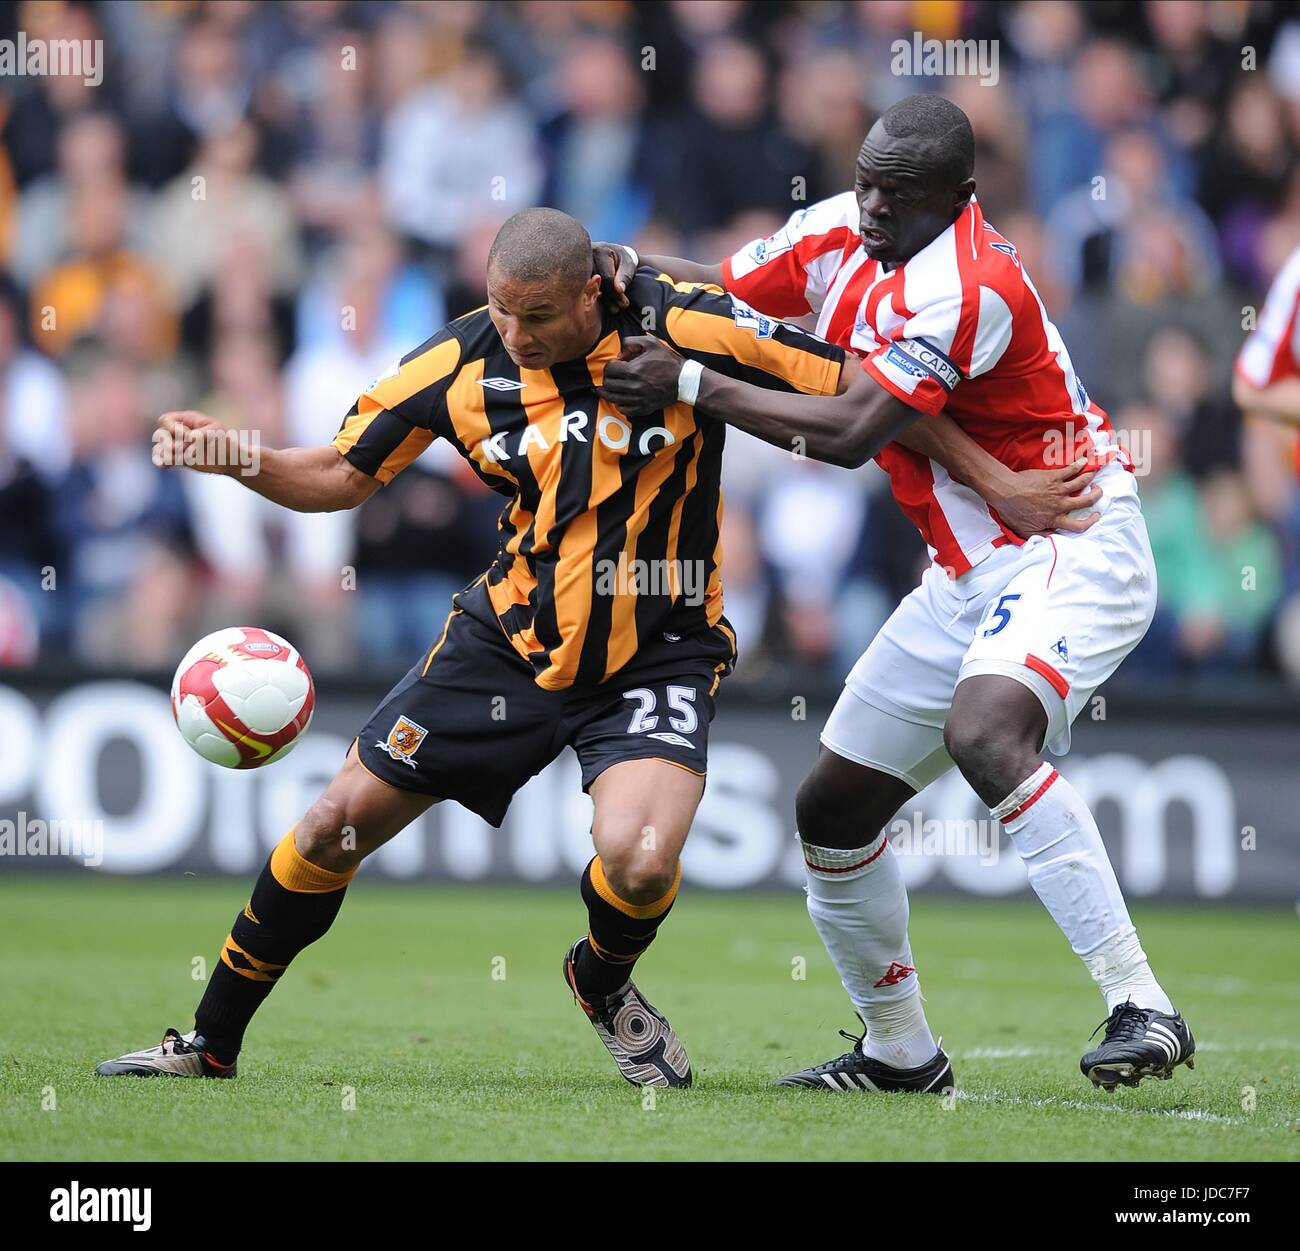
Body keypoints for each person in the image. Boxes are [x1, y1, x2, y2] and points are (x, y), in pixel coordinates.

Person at [95, 207, 852, 1089]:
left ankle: (601, 980)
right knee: (333, 824)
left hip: (660, 645)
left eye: (537, 317)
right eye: (501, 311)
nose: (516, 335)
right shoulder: (458, 362)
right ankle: (207, 1043)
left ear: (589, 293)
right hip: (509, 639)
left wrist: (702, 385)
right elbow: (343, 473)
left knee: (641, 863)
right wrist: (239, 457)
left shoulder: (679, 321)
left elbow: (851, 389)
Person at [597, 95, 1195, 1094]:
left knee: (983, 733)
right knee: (832, 808)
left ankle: (1142, 1003)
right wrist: (638, 267)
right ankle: (899, 1056)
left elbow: (849, 431)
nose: (870, 206)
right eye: (865, 181)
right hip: (964, 565)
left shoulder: (970, 285)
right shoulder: (839, 224)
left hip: (1069, 535)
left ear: (955, 199)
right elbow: (731, 290)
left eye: (895, 193)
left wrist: (693, 387)